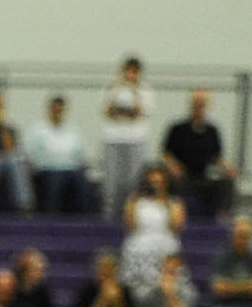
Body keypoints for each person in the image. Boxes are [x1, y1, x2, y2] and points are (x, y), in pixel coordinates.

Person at [161, 88, 230, 218]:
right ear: (191, 105)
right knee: (172, 182)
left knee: (226, 182)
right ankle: (175, 215)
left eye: (202, 104)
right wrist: (173, 166)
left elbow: (217, 157)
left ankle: (223, 216)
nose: (199, 107)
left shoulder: (212, 131)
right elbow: (166, 154)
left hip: (203, 177)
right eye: (197, 103)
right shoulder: (177, 129)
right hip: (182, 177)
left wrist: (228, 169)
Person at [97, 58, 154, 213]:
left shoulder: (145, 90)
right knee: (111, 182)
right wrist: (117, 89)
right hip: (113, 140)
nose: (130, 75)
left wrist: (134, 91)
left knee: (133, 182)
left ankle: (131, 213)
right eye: (128, 71)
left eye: (134, 72)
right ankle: (109, 213)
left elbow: (139, 112)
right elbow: (107, 111)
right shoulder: (111, 87)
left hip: (135, 140)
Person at [25, 94, 90, 213]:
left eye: (60, 109)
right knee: (56, 179)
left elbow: (82, 154)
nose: (58, 112)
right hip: (47, 170)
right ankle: (50, 216)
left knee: (82, 180)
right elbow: (29, 153)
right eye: (55, 109)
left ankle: (83, 218)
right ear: (50, 110)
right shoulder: (38, 130)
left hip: (71, 169)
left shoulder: (73, 130)